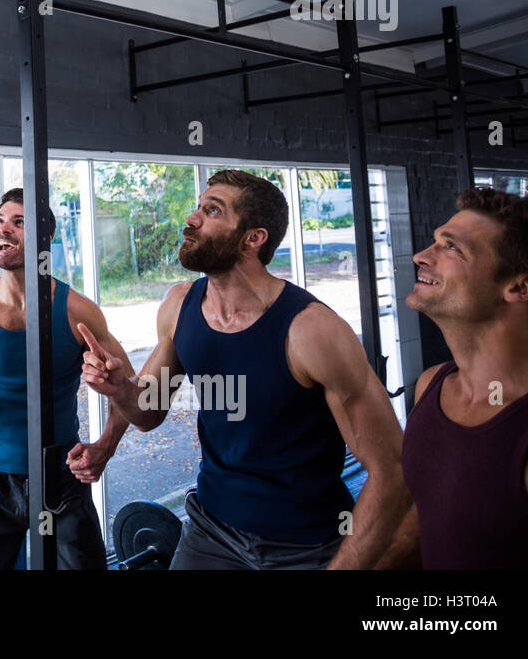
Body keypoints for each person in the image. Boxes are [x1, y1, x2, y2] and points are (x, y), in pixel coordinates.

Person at [84, 169, 408, 569]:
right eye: (198, 207)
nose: (192, 218)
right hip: (211, 531)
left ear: (253, 238)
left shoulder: (312, 331)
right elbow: (148, 412)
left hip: (305, 545)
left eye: (212, 210)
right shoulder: (179, 305)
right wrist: (119, 388)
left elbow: (392, 468)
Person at [0, 188, 132, 569]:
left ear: (44, 239)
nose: (4, 230)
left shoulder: (77, 312)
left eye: (18, 223)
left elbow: (130, 389)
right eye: (0, 221)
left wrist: (104, 447)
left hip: (62, 478)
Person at [379, 188, 528, 569]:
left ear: (520, 287)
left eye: (451, 248)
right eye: (435, 242)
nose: (421, 256)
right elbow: (429, 514)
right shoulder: (432, 385)